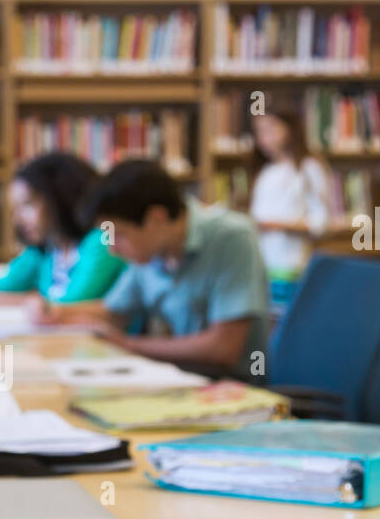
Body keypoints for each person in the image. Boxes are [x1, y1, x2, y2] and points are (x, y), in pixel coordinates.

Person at [43, 159, 271, 380]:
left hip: (233, 386)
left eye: (118, 235)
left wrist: (129, 344)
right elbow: (113, 311)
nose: (112, 249)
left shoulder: (232, 238)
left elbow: (223, 348)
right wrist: (54, 311)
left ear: (156, 218)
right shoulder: (150, 252)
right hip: (180, 379)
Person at [0, 152, 126, 306]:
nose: (17, 219)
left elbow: (70, 307)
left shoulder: (103, 240)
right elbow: (2, 285)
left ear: (60, 197)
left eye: (27, 205)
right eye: (15, 209)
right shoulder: (46, 249)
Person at [248, 109, 334, 312]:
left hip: (292, 266)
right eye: (259, 132)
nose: (264, 138)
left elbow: (321, 224)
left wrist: (276, 225)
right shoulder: (265, 172)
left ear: (290, 128)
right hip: (262, 267)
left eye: (270, 129)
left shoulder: (308, 167)